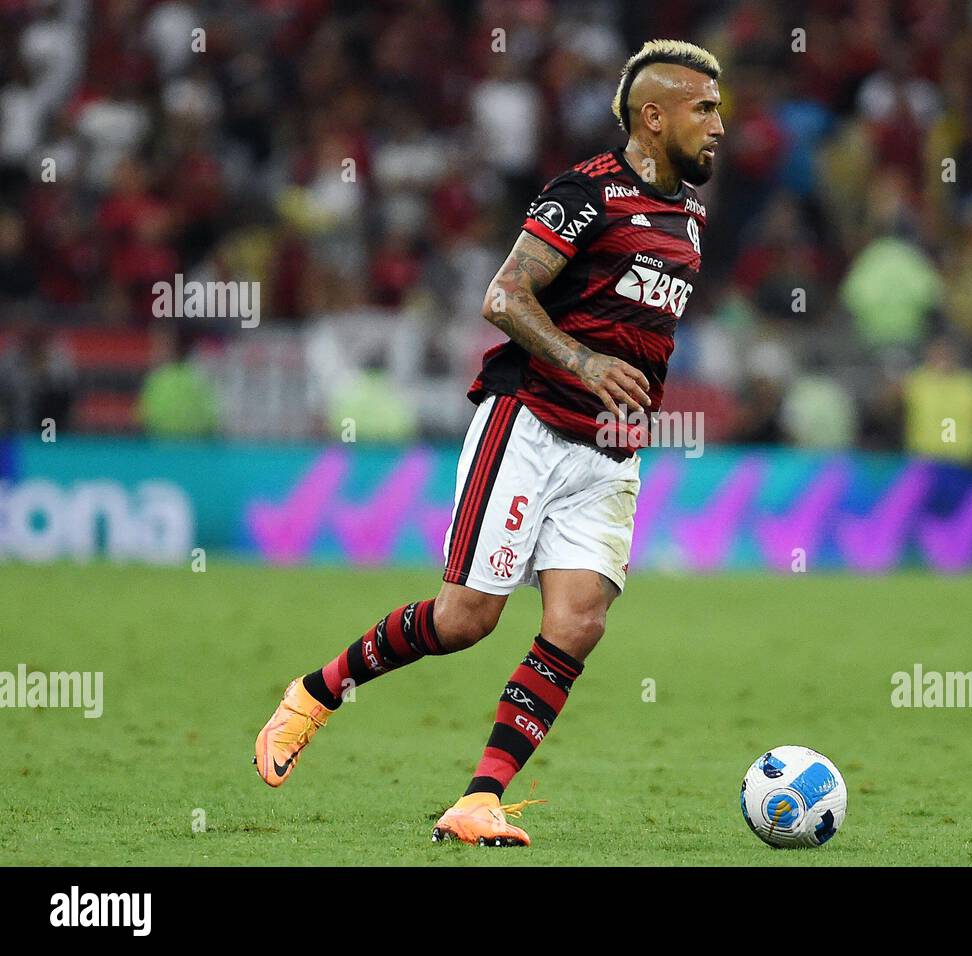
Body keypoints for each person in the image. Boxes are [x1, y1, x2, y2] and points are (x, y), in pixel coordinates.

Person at [252, 39, 724, 848]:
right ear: (654, 116)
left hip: (609, 450)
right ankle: (317, 691)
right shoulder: (586, 192)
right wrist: (583, 360)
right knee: (467, 618)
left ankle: (479, 800)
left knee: (579, 622)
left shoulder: (691, 215)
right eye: (705, 109)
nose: (720, 126)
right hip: (531, 422)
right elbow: (504, 296)